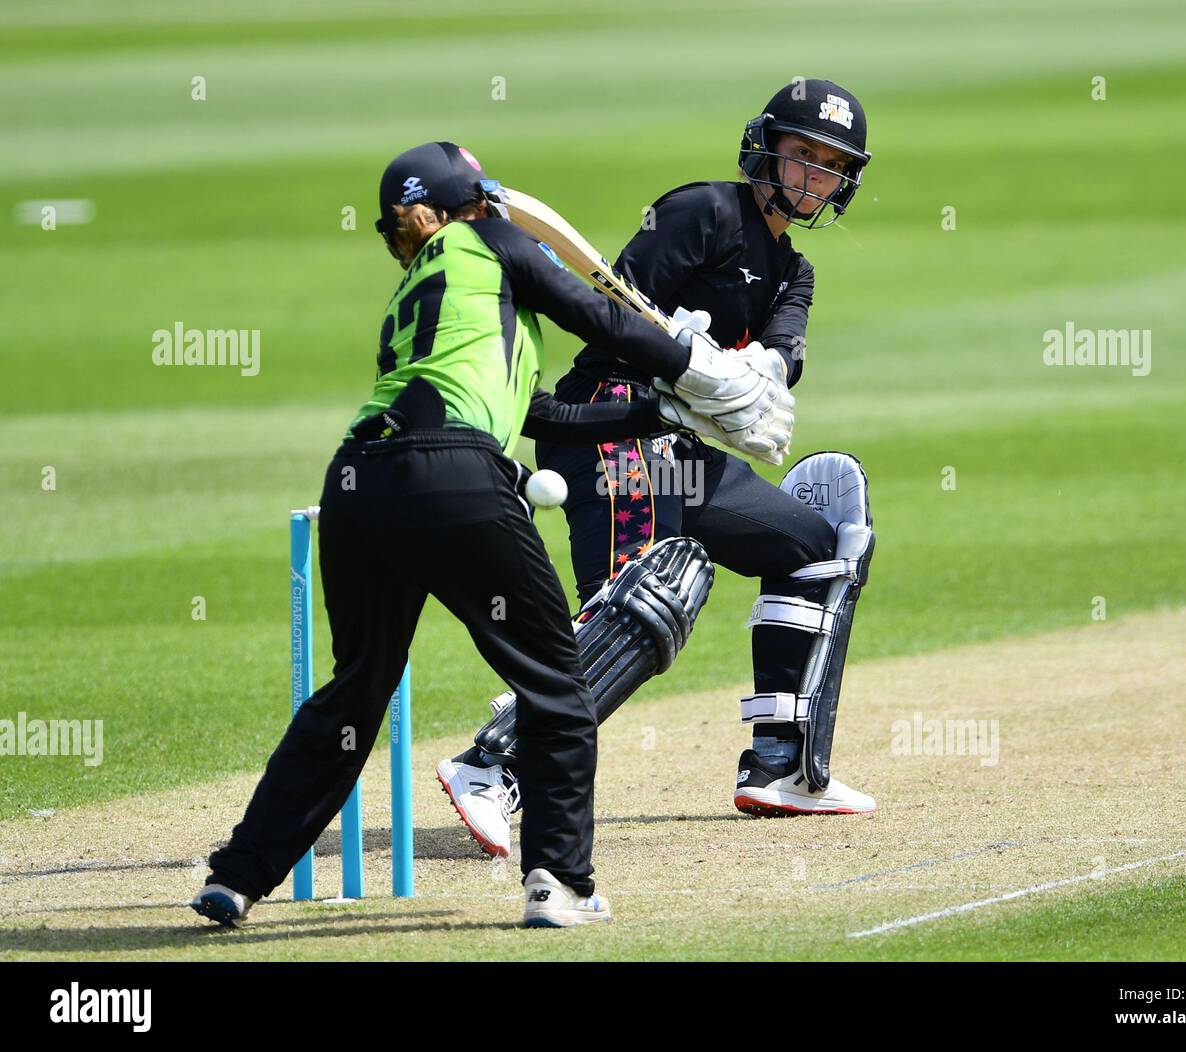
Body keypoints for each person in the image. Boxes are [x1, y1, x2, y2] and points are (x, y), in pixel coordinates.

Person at [190, 141, 791, 928]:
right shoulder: (495, 242)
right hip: (457, 480)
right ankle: (559, 882)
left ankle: (236, 875)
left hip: (356, 484)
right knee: (558, 687)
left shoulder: (416, 289)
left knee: (355, 693)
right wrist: (699, 372)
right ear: (473, 203)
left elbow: (532, 412)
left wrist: (657, 414)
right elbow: (602, 314)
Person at [439, 80, 880, 858]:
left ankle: (781, 765)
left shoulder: (795, 270)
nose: (811, 176)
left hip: (674, 443)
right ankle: (494, 764)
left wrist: (754, 378)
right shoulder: (702, 211)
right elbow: (614, 310)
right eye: (800, 155)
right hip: (607, 421)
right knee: (642, 602)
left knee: (817, 546)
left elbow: (782, 357)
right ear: (765, 148)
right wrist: (685, 361)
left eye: (829, 166)